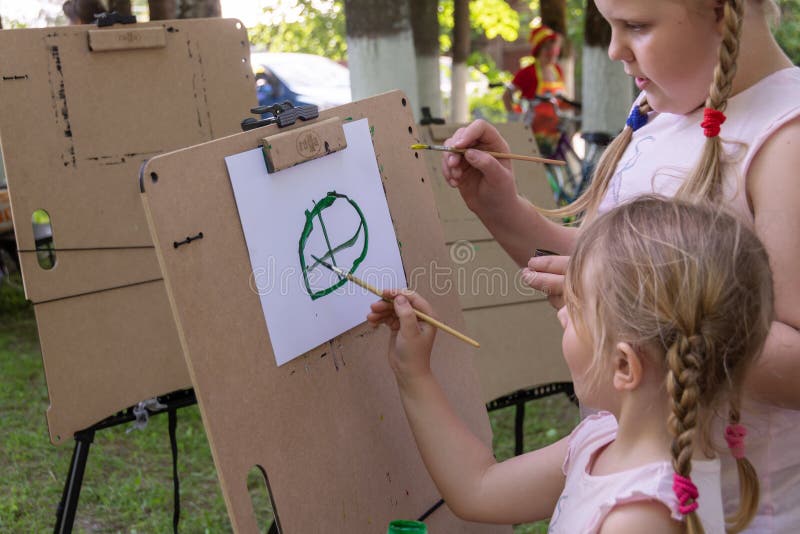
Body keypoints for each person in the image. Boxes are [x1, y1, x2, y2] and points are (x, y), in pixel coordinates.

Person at [441, 1, 800, 530]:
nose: (613, 49)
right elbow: (607, 266)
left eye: (636, 26)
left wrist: (638, 301)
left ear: (722, 10)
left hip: (735, 510)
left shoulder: (785, 140)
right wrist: (503, 210)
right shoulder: (667, 109)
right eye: (609, 24)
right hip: (632, 478)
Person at [368, 196, 771, 532]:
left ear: (624, 366)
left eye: (575, 307)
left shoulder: (639, 518)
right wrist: (414, 373)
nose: (561, 315)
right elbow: (478, 488)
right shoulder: (602, 440)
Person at [503, 24, 569, 155]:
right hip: (532, 133)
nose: (551, 51)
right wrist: (514, 118)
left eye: (553, 47)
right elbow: (506, 96)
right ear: (539, 49)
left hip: (554, 132)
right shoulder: (528, 72)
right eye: (547, 47)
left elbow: (560, 100)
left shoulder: (558, 70)